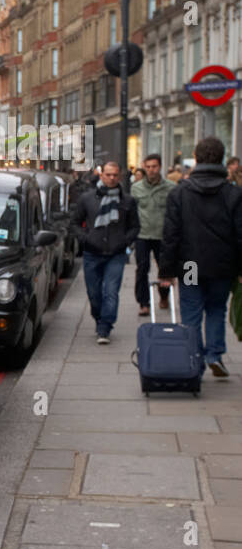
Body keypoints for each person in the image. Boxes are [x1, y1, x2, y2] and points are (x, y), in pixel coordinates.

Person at [158, 136, 242, 377]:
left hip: (192, 264)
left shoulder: (180, 192)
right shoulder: (234, 194)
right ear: (222, 158)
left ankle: (194, 357)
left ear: (196, 158)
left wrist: (166, 270)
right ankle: (214, 354)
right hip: (223, 264)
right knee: (216, 309)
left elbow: (171, 234)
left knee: (192, 310)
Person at [75, 160, 140, 344]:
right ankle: (98, 318)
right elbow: (75, 223)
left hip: (116, 254)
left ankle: (105, 328)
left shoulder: (127, 201)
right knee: (94, 294)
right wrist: (85, 239)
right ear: (101, 175)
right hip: (92, 253)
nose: (111, 178)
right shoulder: (87, 198)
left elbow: (135, 227)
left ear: (119, 176)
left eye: (115, 175)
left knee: (111, 292)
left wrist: (125, 242)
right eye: (108, 174)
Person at [131, 154, 171, 317]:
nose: (151, 170)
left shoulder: (171, 187)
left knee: (165, 270)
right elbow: (132, 212)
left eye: (154, 166)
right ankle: (144, 303)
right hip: (143, 235)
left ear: (160, 167)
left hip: (163, 235)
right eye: (148, 167)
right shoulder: (137, 188)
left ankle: (164, 296)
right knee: (142, 268)